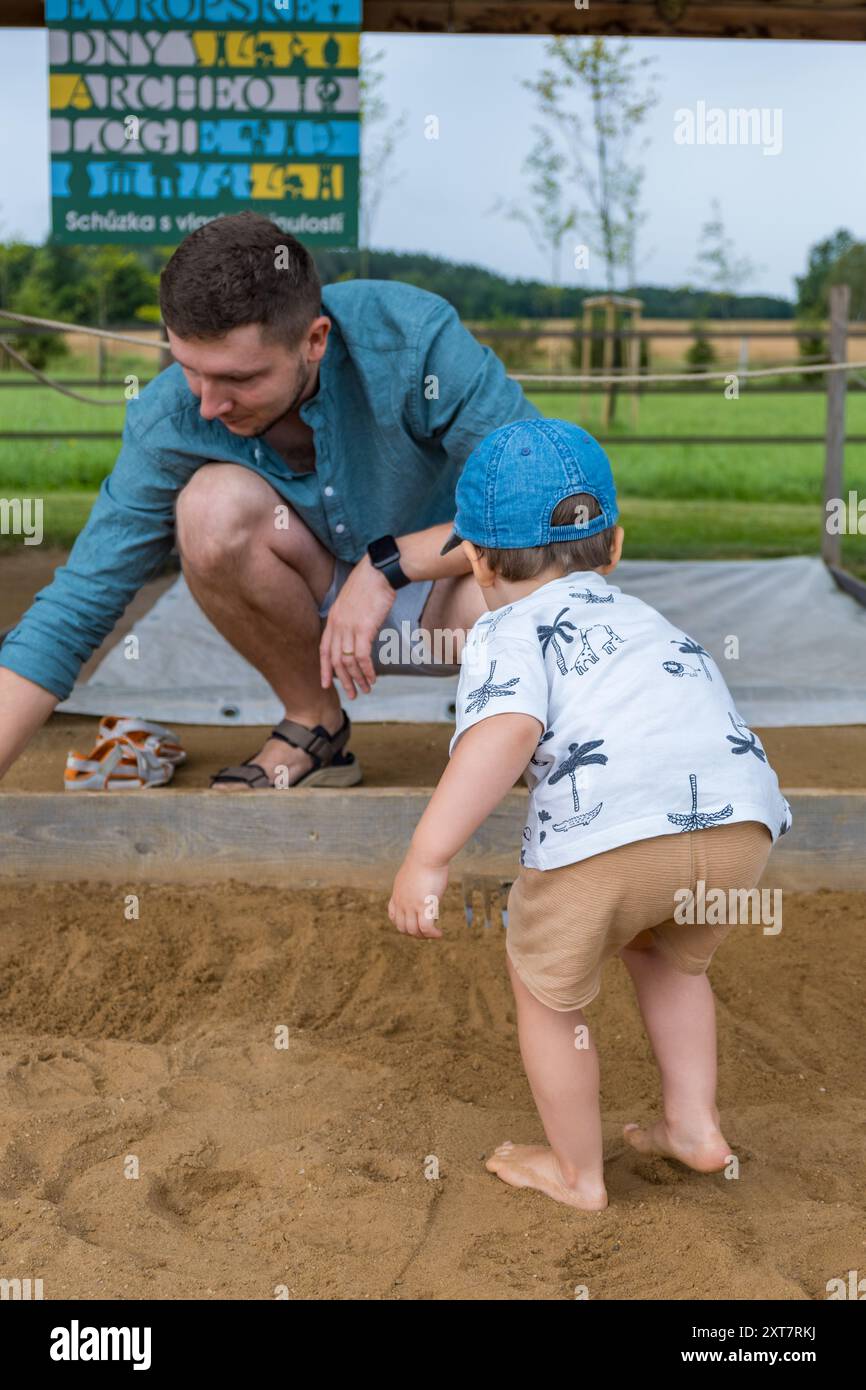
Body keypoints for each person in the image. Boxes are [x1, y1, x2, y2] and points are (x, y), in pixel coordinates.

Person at [388, 417, 792, 1211]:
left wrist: (429, 856)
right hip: (740, 830)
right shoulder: (650, 621)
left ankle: (577, 1175)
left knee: (547, 990)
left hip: (613, 837)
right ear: (613, 547)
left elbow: (504, 734)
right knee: (668, 957)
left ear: (473, 557)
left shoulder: (504, 629)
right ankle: (693, 1125)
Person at [0, 212, 540, 786]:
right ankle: (314, 725)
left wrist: (386, 567)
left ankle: (544, 752)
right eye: (190, 370)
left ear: (314, 340)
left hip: (452, 600)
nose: (209, 405)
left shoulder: (413, 340)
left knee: (545, 585)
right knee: (209, 506)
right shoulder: (171, 415)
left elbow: (537, 502)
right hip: (314, 610)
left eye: (240, 378)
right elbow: (78, 603)